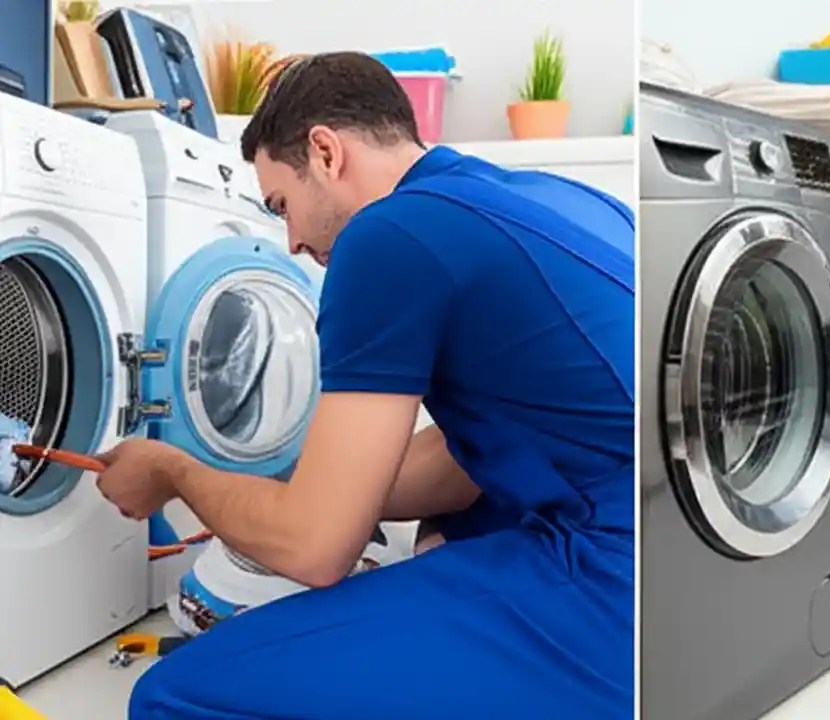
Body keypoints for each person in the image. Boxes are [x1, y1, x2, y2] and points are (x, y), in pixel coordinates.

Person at [94, 52, 636, 719]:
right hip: (681, 540)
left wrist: (177, 472)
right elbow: (475, 457)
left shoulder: (386, 235)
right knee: (451, 527)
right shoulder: (551, 197)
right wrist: (302, 489)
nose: (290, 240)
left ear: (325, 152)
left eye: (281, 204)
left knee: (171, 694)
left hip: (616, 590)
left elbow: (317, 549)